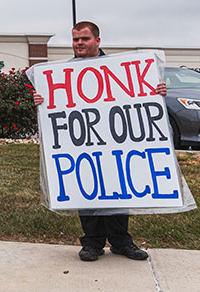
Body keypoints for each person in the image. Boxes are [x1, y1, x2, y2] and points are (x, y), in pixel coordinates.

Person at [33, 21, 167, 262]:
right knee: (87, 187)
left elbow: (137, 96)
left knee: (117, 188)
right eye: (75, 39)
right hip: (82, 142)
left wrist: (155, 92)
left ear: (97, 41)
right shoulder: (63, 75)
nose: (79, 43)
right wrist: (42, 101)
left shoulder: (120, 71)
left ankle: (121, 242)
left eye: (84, 38)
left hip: (115, 141)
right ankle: (92, 242)